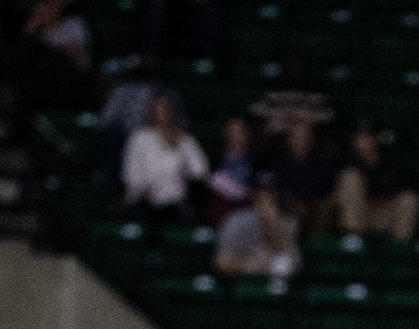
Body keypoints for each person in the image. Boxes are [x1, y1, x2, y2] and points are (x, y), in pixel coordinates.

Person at [123, 92, 207, 221]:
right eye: (159, 107)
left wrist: (181, 154)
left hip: (175, 202)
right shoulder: (139, 138)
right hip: (145, 201)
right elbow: (131, 174)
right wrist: (145, 190)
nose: (163, 112)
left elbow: (201, 170)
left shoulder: (184, 139)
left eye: (167, 108)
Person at [334, 125, 419, 241]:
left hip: (383, 212)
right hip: (358, 214)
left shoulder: (390, 160)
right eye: (359, 139)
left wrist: (383, 195)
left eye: (366, 138)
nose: (363, 143)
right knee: (350, 178)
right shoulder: (347, 160)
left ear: (375, 139)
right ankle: (352, 238)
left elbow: (405, 185)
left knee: (409, 199)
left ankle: (399, 247)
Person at [264, 123, 338, 233]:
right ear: (289, 140)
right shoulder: (279, 166)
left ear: (312, 140)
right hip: (288, 212)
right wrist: (293, 205)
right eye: (296, 137)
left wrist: (309, 206)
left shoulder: (323, 166)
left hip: (317, 212)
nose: (300, 142)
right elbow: (277, 191)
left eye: (304, 137)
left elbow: (327, 192)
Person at [214, 185, 300, 279]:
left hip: (276, 282)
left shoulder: (288, 222)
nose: (266, 204)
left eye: (272, 200)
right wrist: (251, 267)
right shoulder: (237, 222)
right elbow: (221, 263)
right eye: (263, 199)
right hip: (243, 283)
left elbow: (292, 261)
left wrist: (272, 223)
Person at [206, 116, 257, 220]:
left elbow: (257, 188)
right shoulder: (215, 156)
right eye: (232, 131)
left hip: (245, 203)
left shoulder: (256, 158)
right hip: (221, 202)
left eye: (239, 131)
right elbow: (208, 180)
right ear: (226, 134)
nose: (235, 135)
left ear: (246, 133)